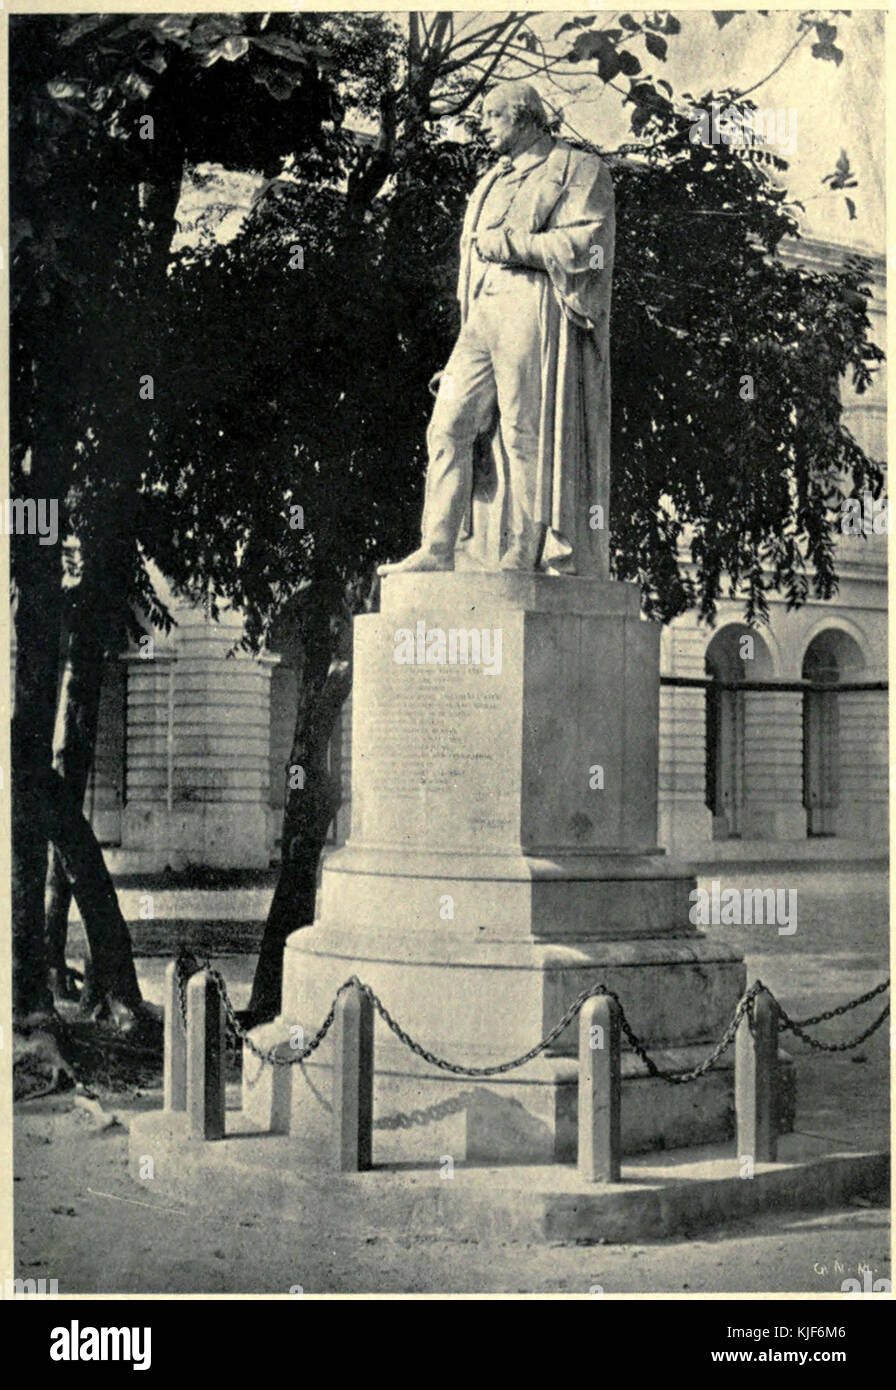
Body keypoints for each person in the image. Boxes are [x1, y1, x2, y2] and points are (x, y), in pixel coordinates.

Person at [379, 81, 615, 577]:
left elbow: (588, 246)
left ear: (525, 118)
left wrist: (512, 245)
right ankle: (438, 546)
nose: (482, 125)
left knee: (523, 430)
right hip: (484, 312)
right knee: (446, 425)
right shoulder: (489, 181)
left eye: (492, 115)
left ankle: (526, 546)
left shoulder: (577, 168)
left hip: (534, 302)